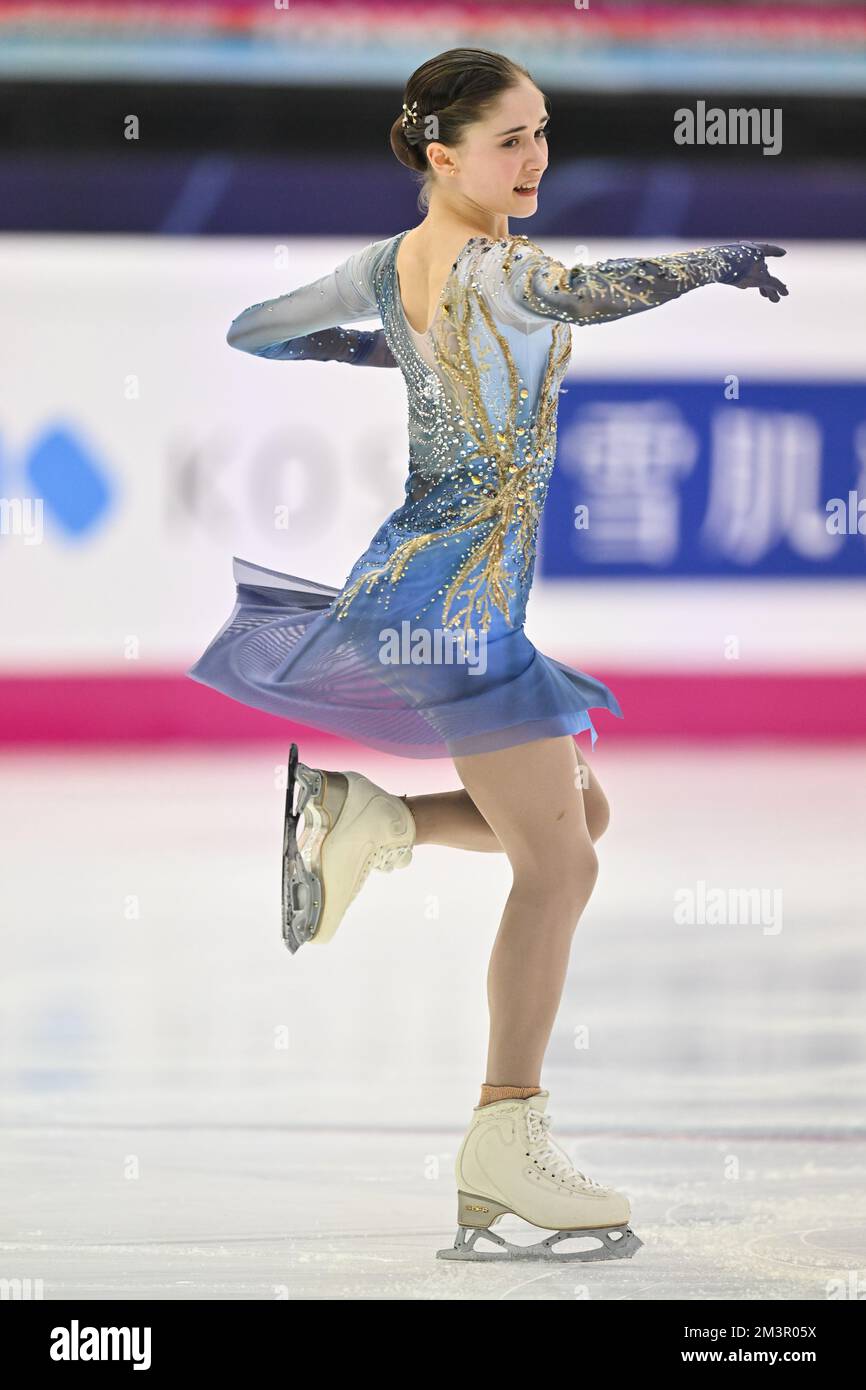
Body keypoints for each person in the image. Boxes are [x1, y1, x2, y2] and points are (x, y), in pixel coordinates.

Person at [187, 48, 787, 1261]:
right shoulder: (501, 266)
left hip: (434, 592)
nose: (535, 159)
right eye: (510, 139)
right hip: (454, 606)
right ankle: (505, 1139)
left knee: (583, 813)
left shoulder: (390, 263)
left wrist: (381, 351)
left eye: (542, 132)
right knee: (559, 869)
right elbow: (593, 293)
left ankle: (372, 818)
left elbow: (252, 330)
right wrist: (712, 263)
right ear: (442, 151)